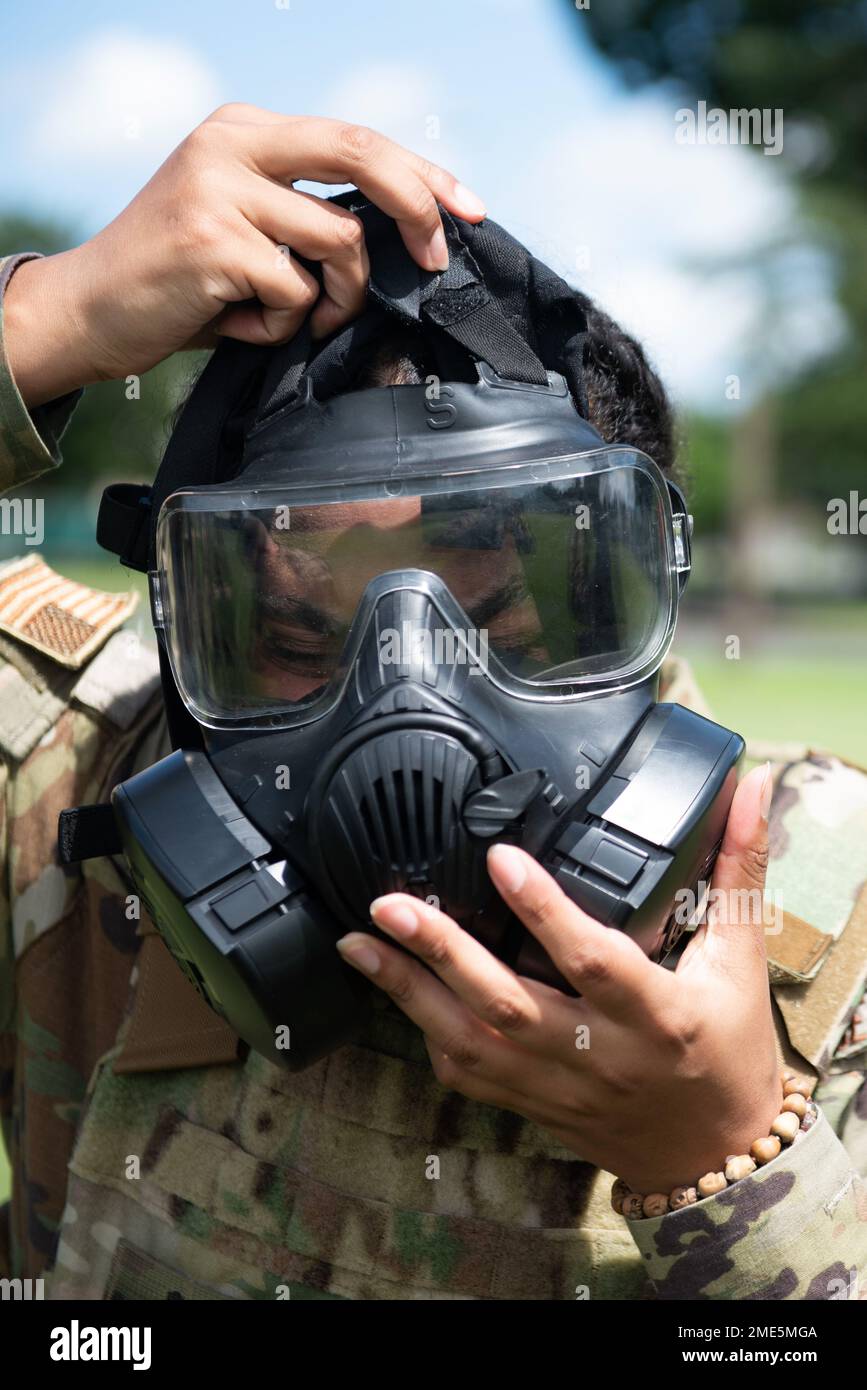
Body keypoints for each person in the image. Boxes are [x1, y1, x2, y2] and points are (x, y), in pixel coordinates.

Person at [1, 106, 865, 1301]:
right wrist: (44, 323)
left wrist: (722, 1160)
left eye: (502, 621)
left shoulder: (828, 915)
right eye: (304, 635)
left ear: (627, 588)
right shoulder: (64, 767)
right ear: (190, 619)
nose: (409, 712)